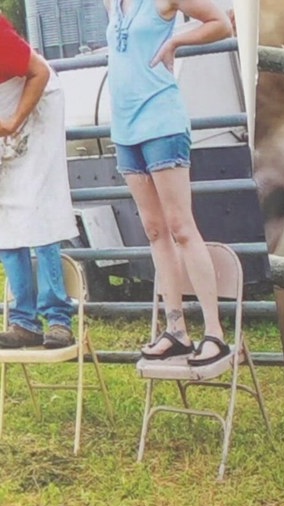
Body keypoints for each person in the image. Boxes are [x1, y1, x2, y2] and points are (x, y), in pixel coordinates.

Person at [104, 0, 233, 367]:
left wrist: (176, 41)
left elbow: (221, 23)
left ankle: (214, 334)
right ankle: (175, 330)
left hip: (161, 119)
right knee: (154, 229)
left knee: (181, 227)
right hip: (125, 127)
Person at [0, 13, 79, 351]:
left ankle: (57, 317)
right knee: (4, 212)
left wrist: (15, 120)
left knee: (39, 203)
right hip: (6, 99)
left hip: (36, 95)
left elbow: (39, 72)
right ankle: (23, 321)